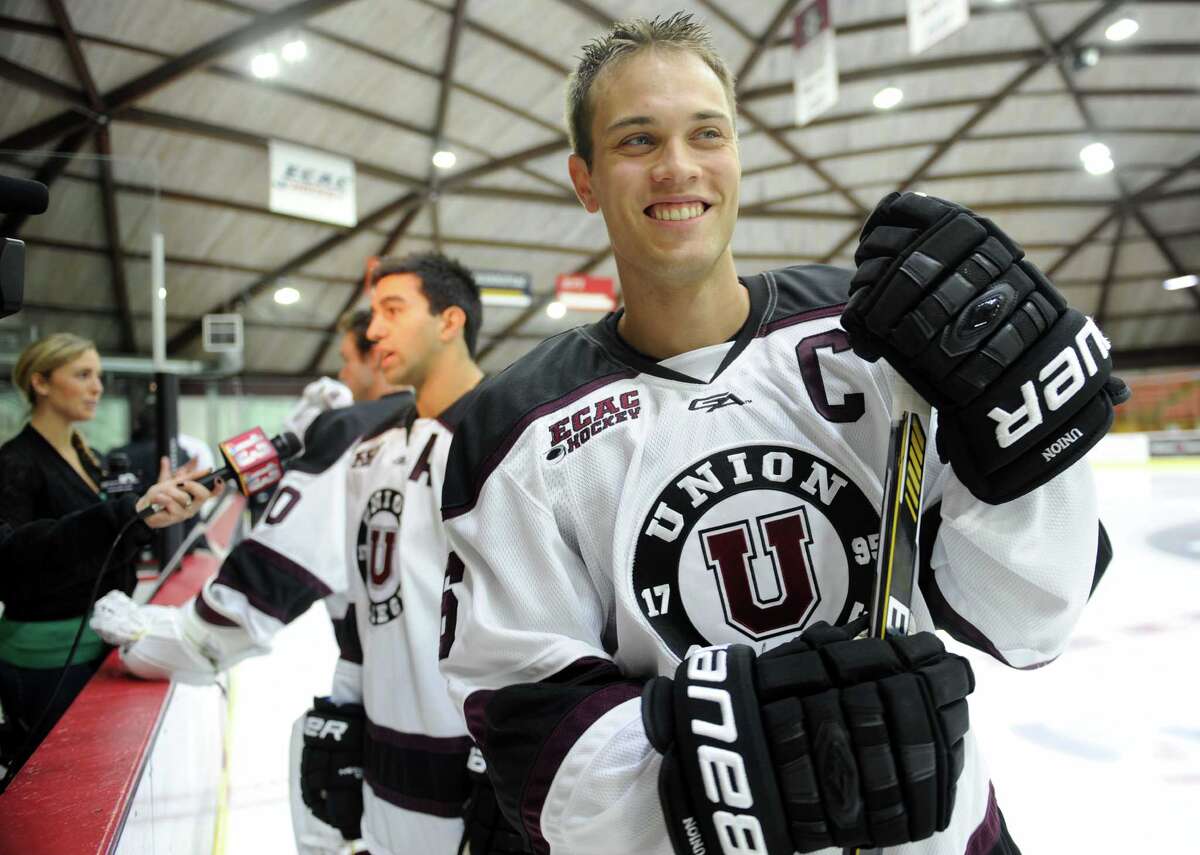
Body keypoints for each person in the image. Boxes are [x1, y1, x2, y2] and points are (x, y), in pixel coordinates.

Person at [437, 13, 1126, 855]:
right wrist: (733, 775)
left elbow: (1027, 616)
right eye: (638, 140)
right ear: (585, 179)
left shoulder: (877, 335)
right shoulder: (517, 428)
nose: (678, 166)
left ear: (737, 154)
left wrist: (1029, 436)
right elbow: (527, 723)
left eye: (707, 133)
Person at [92, 255, 525, 855]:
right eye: (373, 314)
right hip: (393, 760)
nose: (374, 330)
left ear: (450, 321)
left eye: (393, 310)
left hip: (494, 767)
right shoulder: (370, 443)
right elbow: (311, 593)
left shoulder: (523, 433)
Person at [0, 332, 219, 777]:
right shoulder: (15, 463)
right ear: (40, 382)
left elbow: (106, 543)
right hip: (47, 658)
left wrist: (150, 514)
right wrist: (126, 513)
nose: (97, 387)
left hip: (99, 639)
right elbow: (15, 560)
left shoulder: (91, 458)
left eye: (98, 376)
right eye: (83, 375)